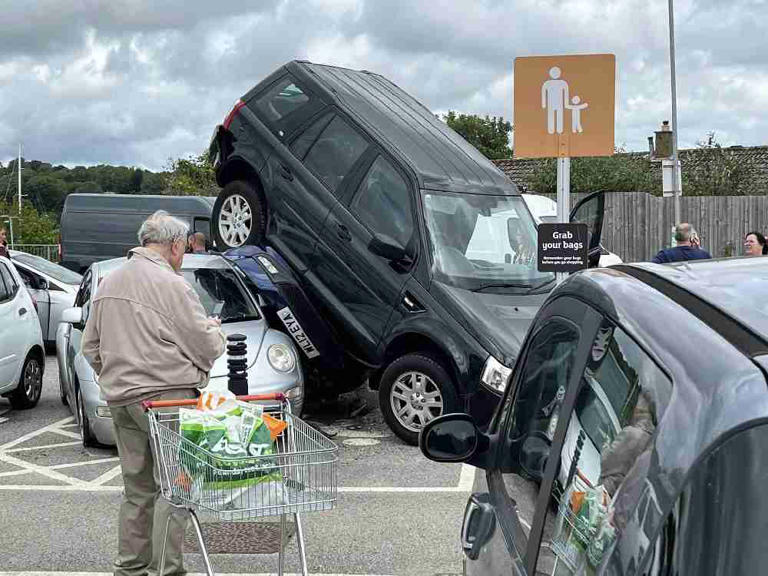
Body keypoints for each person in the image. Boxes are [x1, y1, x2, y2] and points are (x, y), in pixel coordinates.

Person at [82, 210, 226, 576]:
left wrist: (114, 375)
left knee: (137, 489)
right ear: (176, 245)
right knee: (175, 487)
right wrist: (215, 331)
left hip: (122, 399)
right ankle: (167, 570)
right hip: (168, 399)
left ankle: (130, 569)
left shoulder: (110, 281)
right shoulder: (172, 285)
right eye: (183, 249)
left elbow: (91, 347)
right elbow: (205, 346)